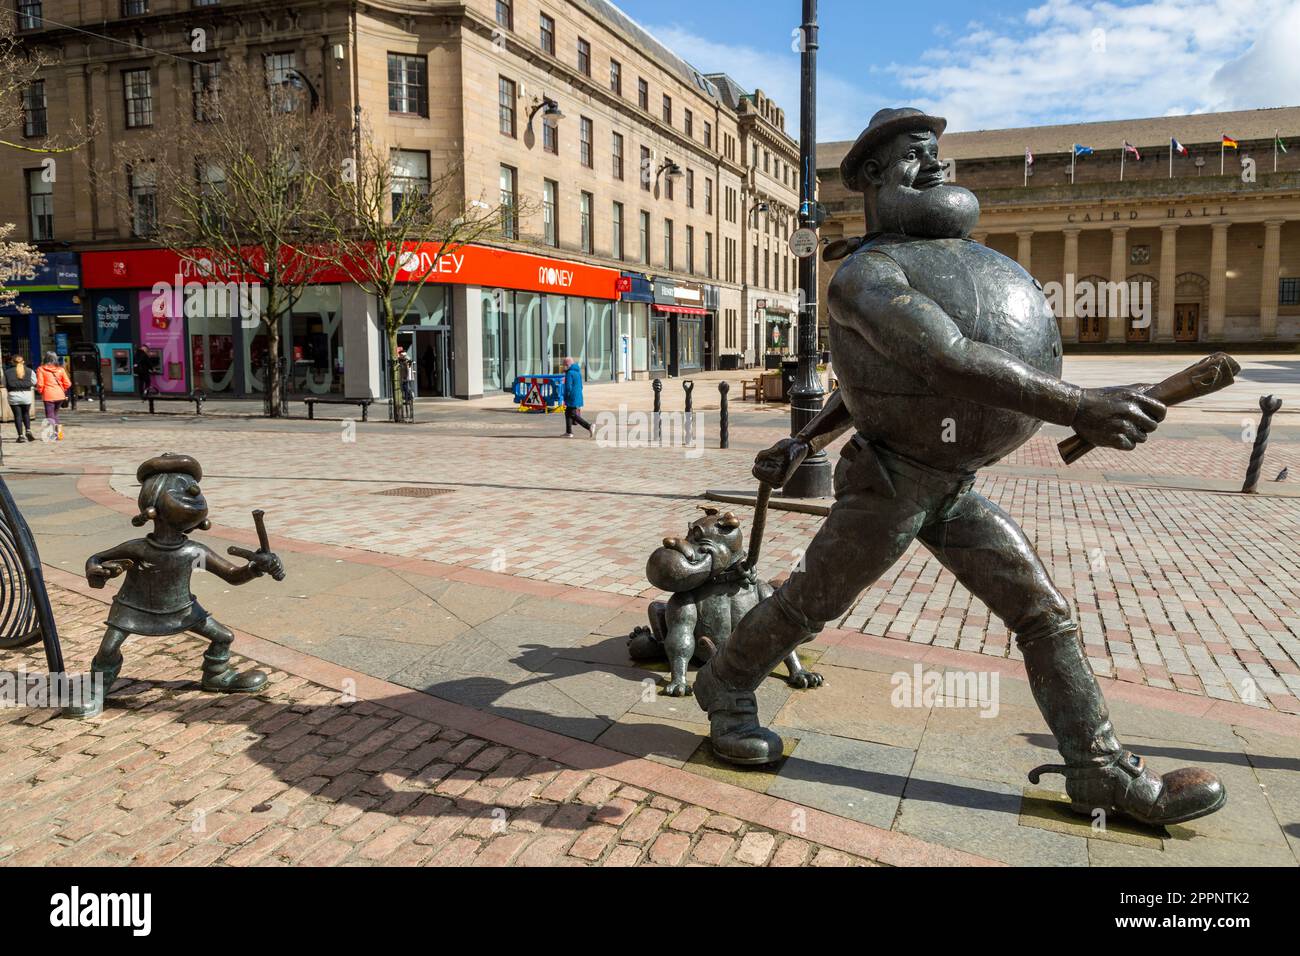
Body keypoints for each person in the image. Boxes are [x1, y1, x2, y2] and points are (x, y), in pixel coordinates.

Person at [690, 107, 1226, 828]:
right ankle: (725, 686)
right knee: (811, 601)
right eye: (918, 155)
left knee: (1043, 613)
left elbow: (867, 381)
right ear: (875, 175)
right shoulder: (866, 275)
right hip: (892, 482)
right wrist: (1080, 407)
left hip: (948, 485)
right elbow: (941, 357)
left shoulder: (913, 263)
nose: (938, 167)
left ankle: (1098, 771)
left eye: (938, 153)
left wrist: (805, 440)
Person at [65, 454, 284, 718]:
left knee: (223, 637)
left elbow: (233, 576)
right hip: (131, 611)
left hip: (182, 610)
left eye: (193, 488)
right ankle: (96, 689)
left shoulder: (194, 551)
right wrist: (96, 571)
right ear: (151, 504)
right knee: (108, 649)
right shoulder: (138, 548)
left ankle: (218, 675)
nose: (193, 491)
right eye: (180, 488)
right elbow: (98, 558)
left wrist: (256, 568)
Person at [35, 352, 71, 441]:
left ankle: (52, 435)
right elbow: (68, 383)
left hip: (48, 395)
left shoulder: (41, 369)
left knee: (50, 415)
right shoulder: (61, 369)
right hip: (60, 395)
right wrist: (62, 389)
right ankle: (59, 434)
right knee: (55, 414)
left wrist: (40, 391)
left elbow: (40, 383)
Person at [5, 354, 37, 442]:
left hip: (13, 395)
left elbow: (4, 383)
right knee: (26, 414)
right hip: (26, 395)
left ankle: (20, 436)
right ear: (23, 362)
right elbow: (34, 382)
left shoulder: (7, 372)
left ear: (12, 362)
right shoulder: (30, 371)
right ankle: (28, 430)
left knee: (17, 416)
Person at [561, 356, 591, 438]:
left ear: (567, 364)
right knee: (568, 412)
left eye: (564, 364)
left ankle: (589, 426)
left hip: (571, 397)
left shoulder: (569, 373)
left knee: (572, 414)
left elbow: (568, 387)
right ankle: (569, 432)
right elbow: (581, 386)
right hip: (577, 396)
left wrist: (565, 398)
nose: (563, 366)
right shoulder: (578, 372)